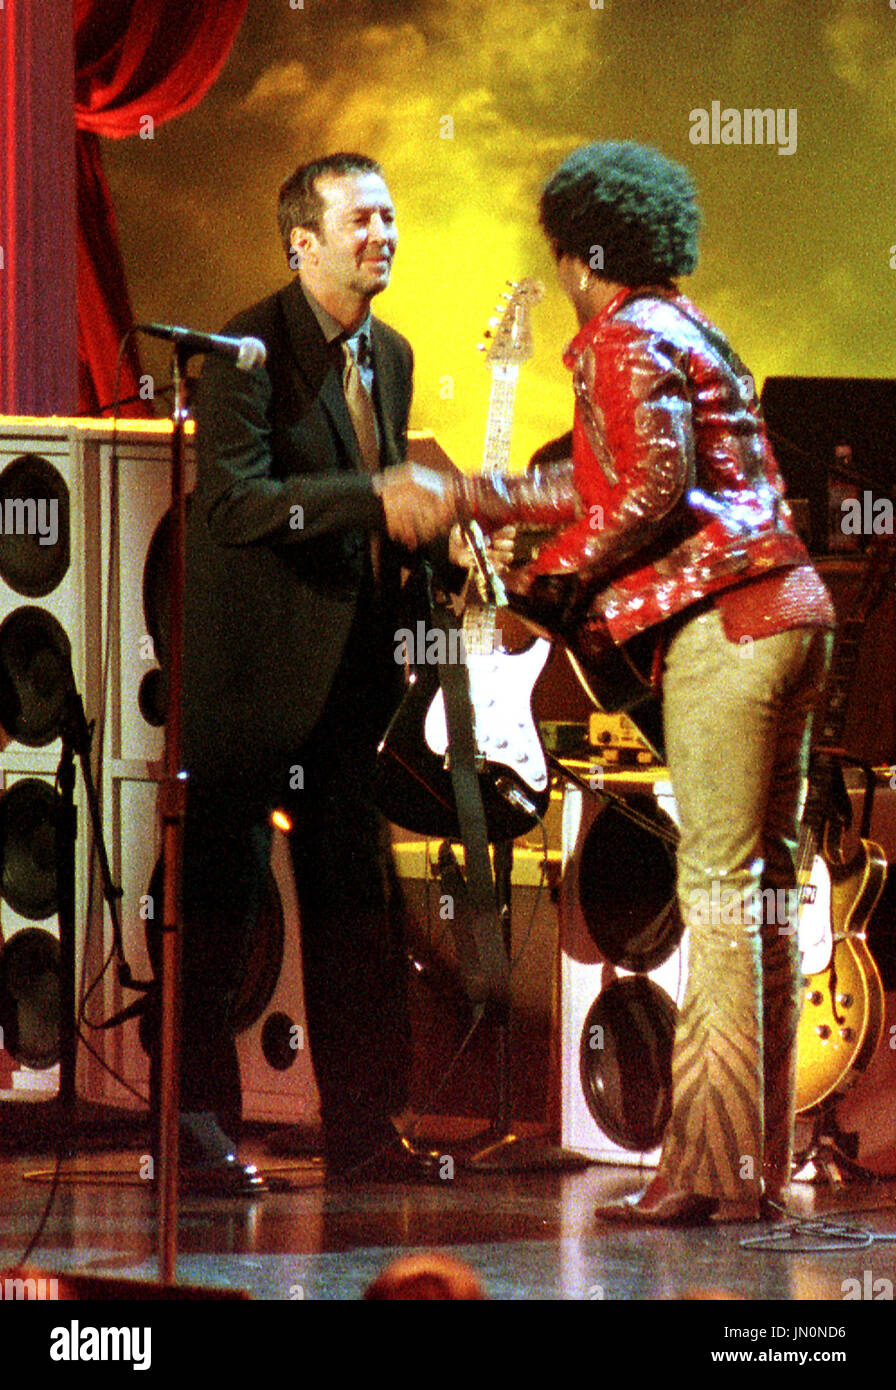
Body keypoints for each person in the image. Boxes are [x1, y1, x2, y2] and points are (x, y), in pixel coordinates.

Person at [453, 141, 835, 1224]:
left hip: (730, 633)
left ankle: (699, 1172)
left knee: (714, 897)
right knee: (759, 898)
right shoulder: (691, 327)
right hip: (796, 613)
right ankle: (751, 1167)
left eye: (562, 257)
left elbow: (647, 487)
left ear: (583, 254)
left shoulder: (617, 336)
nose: (564, 276)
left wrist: (542, 588)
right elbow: (618, 472)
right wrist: (482, 495)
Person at [149, 152, 457, 1193]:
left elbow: (386, 510)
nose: (383, 234)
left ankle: (366, 1132)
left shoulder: (395, 352)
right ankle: (193, 1135)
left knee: (355, 916)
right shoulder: (243, 353)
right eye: (361, 219)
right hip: (248, 685)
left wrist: (434, 545)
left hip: (350, 690)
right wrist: (374, 495)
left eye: (389, 216)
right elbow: (237, 504)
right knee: (221, 917)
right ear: (303, 243)